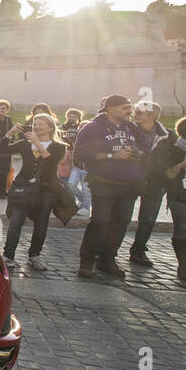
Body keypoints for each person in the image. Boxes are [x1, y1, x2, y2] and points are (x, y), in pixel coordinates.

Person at [74, 93, 147, 278]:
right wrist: (111, 156)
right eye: (125, 107)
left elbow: (145, 149)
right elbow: (80, 154)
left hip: (129, 183)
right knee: (100, 222)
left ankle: (107, 260)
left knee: (121, 223)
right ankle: (87, 262)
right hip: (104, 181)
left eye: (130, 107)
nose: (130, 111)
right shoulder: (93, 128)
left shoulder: (132, 127)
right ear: (110, 109)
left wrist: (136, 153)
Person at [0, 112, 67, 270]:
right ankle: (8, 255)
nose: (36, 126)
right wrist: (10, 133)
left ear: (50, 127)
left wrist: (36, 142)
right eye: (35, 123)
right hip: (25, 187)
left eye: (40, 124)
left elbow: (50, 160)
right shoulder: (24, 143)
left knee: (41, 223)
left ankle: (34, 256)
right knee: (16, 221)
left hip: (47, 189)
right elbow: (2, 149)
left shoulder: (59, 147)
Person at [144, 115, 186, 284]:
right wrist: (183, 164)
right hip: (181, 192)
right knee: (183, 228)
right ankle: (184, 268)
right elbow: (168, 174)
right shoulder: (174, 149)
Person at [125, 100, 169, 267]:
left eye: (138, 112)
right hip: (129, 179)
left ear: (151, 116)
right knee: (122, 216)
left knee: (148, 218)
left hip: (155, 182)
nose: (134, 114)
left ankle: (139, 250)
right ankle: (107, 250)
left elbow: (169, 160)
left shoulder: (167, 135)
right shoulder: (126, 130)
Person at [60, 108, 90, 214]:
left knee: (86, 188)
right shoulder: (63, 127)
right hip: (72, 160)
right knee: (70, 184)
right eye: (70, 116)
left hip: (85, 166)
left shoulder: (83, 130)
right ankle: (82, 201)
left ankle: (86, 206)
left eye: (74, 117)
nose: (72, 118)